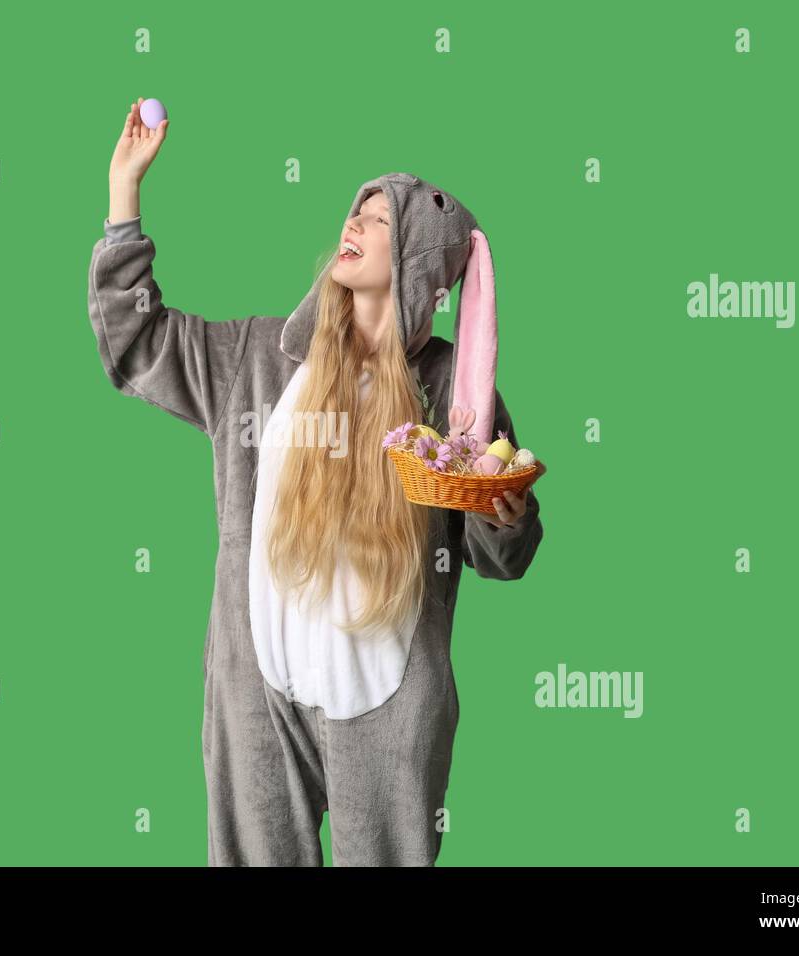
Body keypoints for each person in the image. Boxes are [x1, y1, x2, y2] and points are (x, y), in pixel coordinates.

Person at [89, 97, 544, 865]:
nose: (356, 224)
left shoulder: (455, 396)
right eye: (357, 210)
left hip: (391, 706)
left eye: (382, 219)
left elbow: (502, 556)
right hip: (258, 699)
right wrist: (124, 193)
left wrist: (506, 509)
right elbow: (137, 342)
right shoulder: (257, 359)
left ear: (421, 266)